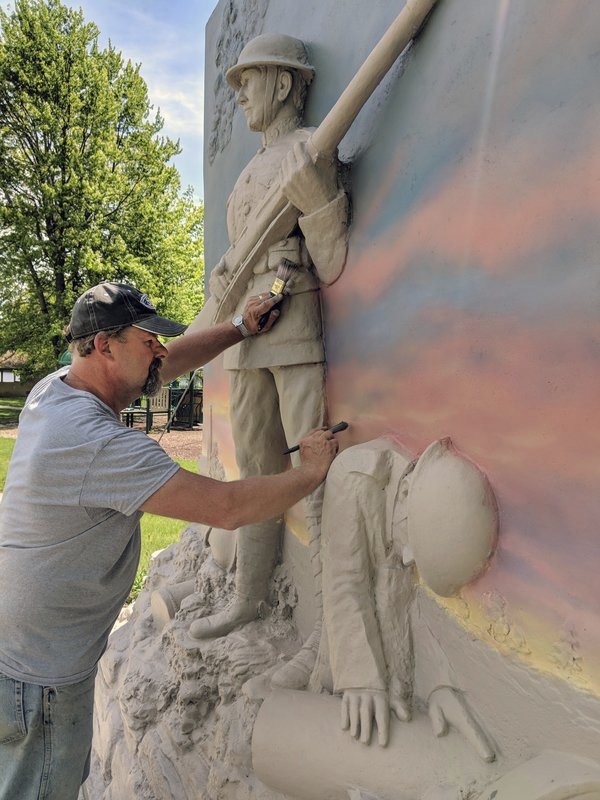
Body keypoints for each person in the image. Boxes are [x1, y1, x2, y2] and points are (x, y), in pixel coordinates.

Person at [0, 281, 338, 800]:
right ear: (103, 346)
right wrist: (310, 473)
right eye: (147, 340)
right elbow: (226, 509)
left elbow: (166, 365)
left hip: (17, 650)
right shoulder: (98, 444)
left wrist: (239, 330)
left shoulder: (56, 389)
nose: (160, 350)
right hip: (41, 678)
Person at [191, 34, 349, 693]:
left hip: (290, 317)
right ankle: (250, 595)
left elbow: (332, 256)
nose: (240, 94)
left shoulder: (309, 150)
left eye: (248, 81)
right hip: (247, 329)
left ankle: (331, 630)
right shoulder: (253, 168)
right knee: (257, 468)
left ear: (282, 85)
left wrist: (318, 203)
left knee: (313, 470)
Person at [318, 437, 497, 756]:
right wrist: (360, 678)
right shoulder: (353, 476)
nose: (411, 559)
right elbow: (344, 580)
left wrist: (436, 686)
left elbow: (411, 599)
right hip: (338, 630)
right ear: (404, 493)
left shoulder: (421, 510)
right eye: (414, 550)